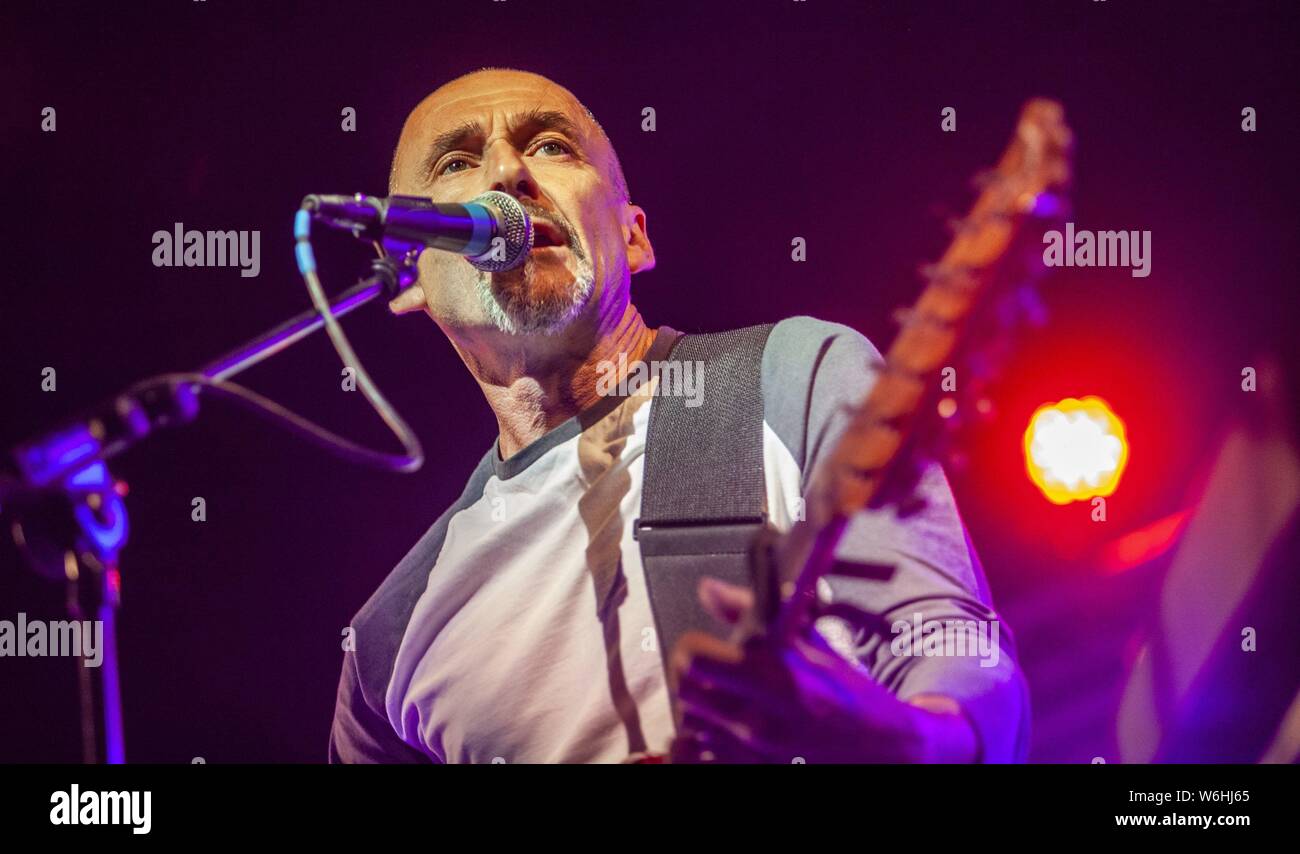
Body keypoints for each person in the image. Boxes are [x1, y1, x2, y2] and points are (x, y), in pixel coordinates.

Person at [328, 67, 1028, 763]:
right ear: (411, 276)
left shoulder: (787, 376)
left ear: (633, 238)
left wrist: (901, 739)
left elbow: (949, 643)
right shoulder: (390, 639)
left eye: (549, 147)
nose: (508, 171)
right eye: (457, 161)